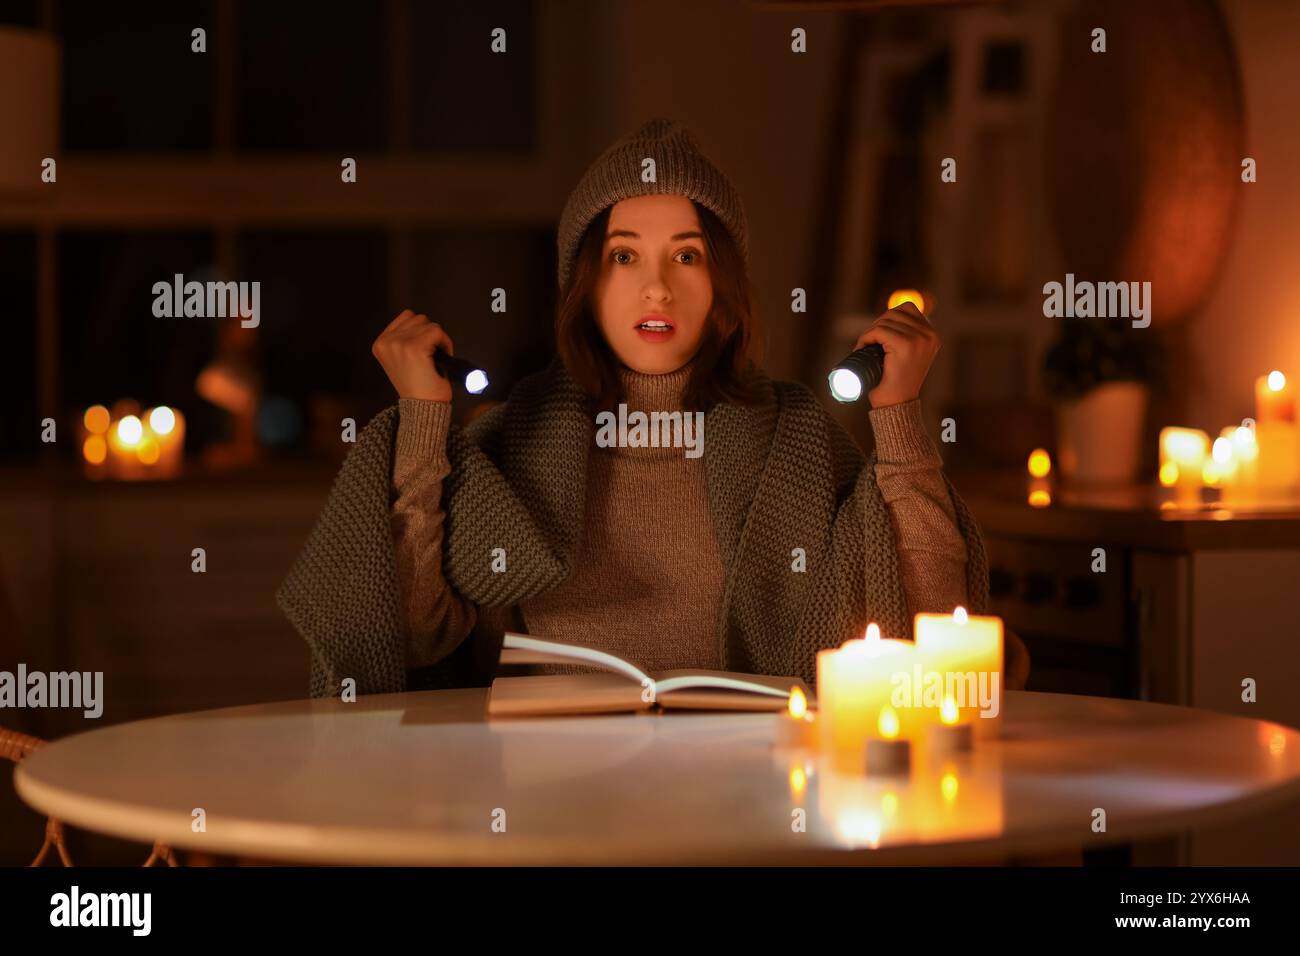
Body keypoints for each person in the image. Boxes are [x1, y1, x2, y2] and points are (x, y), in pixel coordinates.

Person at [279, 118, 1029, 697]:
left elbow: (936, 626)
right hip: (542, 808)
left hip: (750, 799)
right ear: (587, 283)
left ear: (724, 281)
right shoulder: (507, 450)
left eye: (690, 254)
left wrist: (898, 417)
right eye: (625, 255)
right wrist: (420, 428)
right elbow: (408, 637)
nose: (658, 287)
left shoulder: (796, 439)